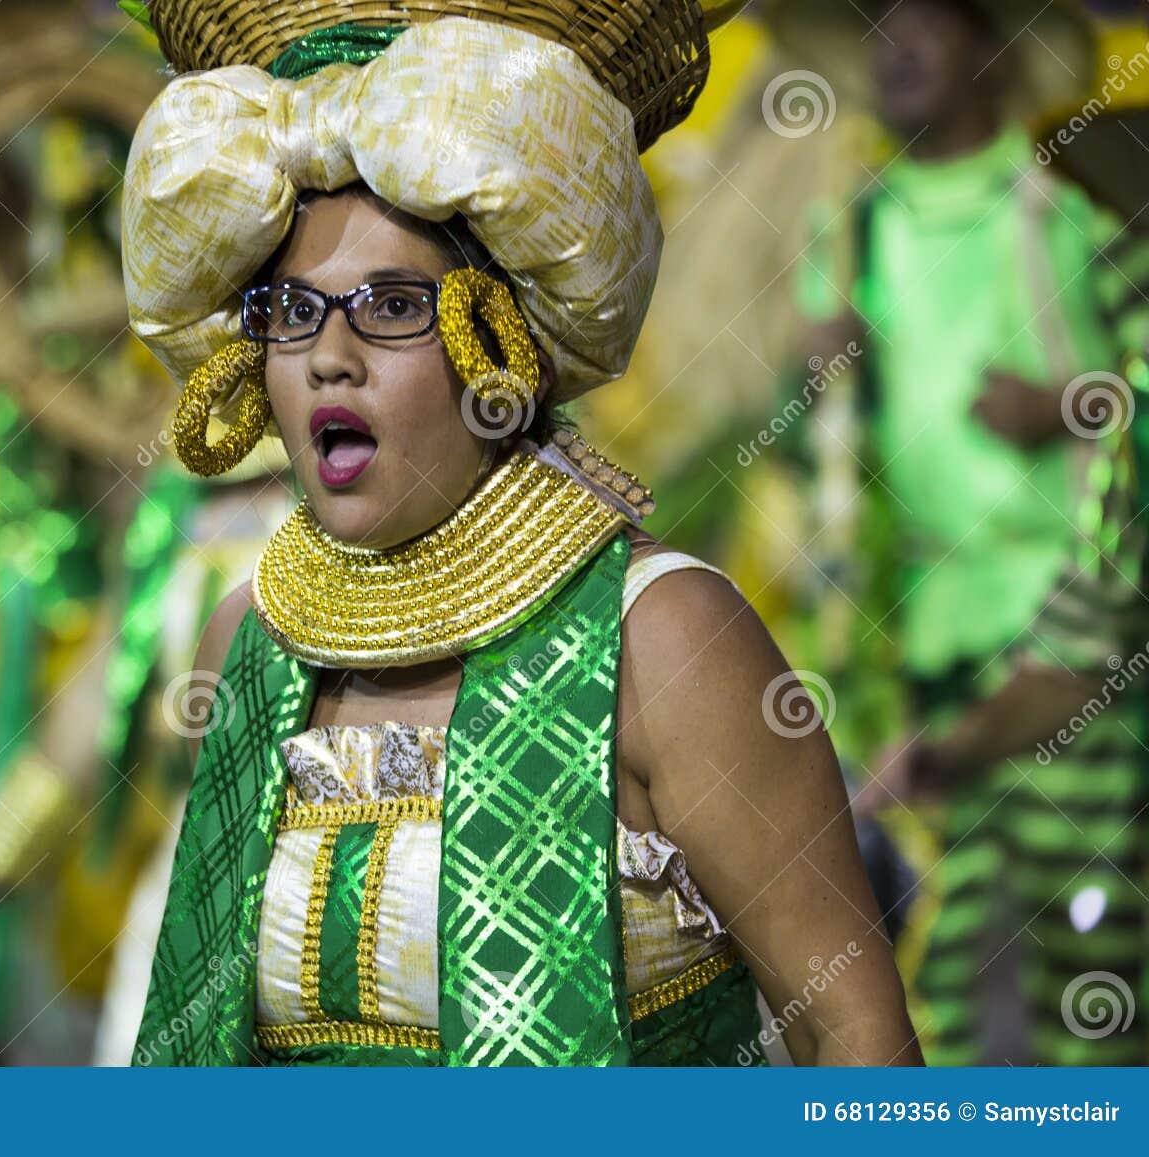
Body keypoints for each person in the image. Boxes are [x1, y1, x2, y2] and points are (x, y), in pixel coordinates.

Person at [120, 2, 920, 1066]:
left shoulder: (667, 640)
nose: (329, 356)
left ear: (504, 344)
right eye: (294, 311)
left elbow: (851, 1037)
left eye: (392, 306)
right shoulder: (250, 644)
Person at [786, 0, 1149, 1065]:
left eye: (926, 28)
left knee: (1094, 976)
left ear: (989, 54)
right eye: (881, 34)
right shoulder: (853, 229)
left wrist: (1073, 400)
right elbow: (822, 464)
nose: (894, 51)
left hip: (1069, 647)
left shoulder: (1069, 211)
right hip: (921, 657)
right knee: (914, 988)